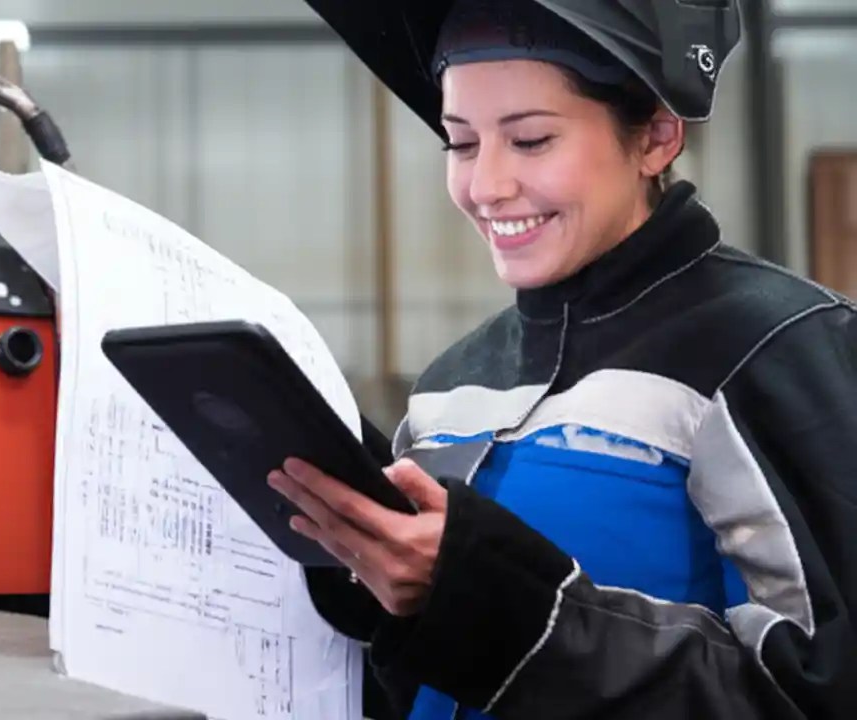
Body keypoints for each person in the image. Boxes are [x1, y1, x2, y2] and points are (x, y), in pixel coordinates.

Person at [272, 1, 857, 718]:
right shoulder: (452, 384)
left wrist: (504, 606)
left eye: (531, 140)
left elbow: (817, 694)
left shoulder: (775, 349)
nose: (485, 186)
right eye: (460, 143)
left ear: (657, 137)